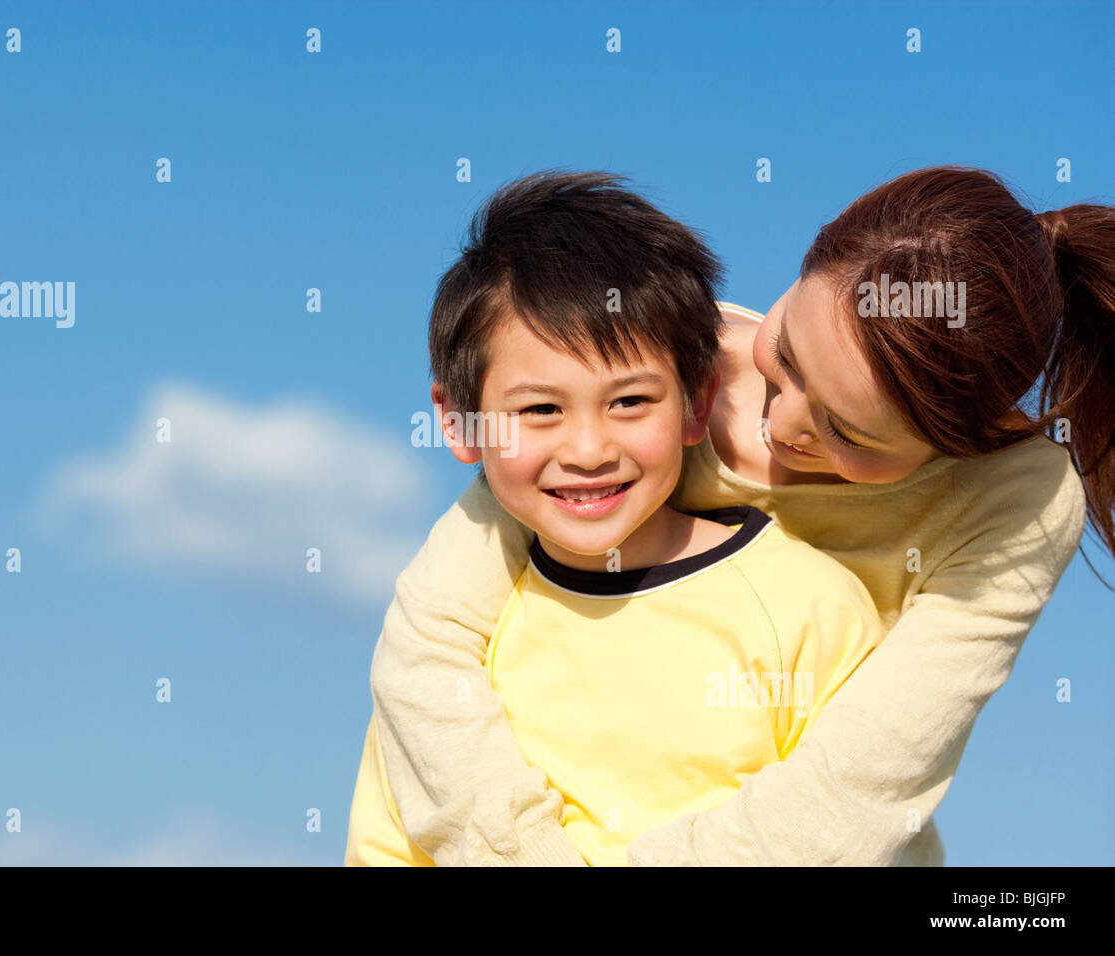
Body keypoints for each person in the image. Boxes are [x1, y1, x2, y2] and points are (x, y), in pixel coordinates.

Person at [366, 166, 1113, 866]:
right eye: (784, 354)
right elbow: (431, 638)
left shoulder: (1016, 502)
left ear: (953, 442)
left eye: (846, 432)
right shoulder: (652, 370)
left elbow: (856, 787)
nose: (778, 423)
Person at [345, 169, 890, 866]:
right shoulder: (450, 664)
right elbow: (391, 846)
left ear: (696, 403)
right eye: (540, 410)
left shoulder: (812, 609)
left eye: (630, 402)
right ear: (459, 423)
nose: (589, 450)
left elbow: (853, 830)